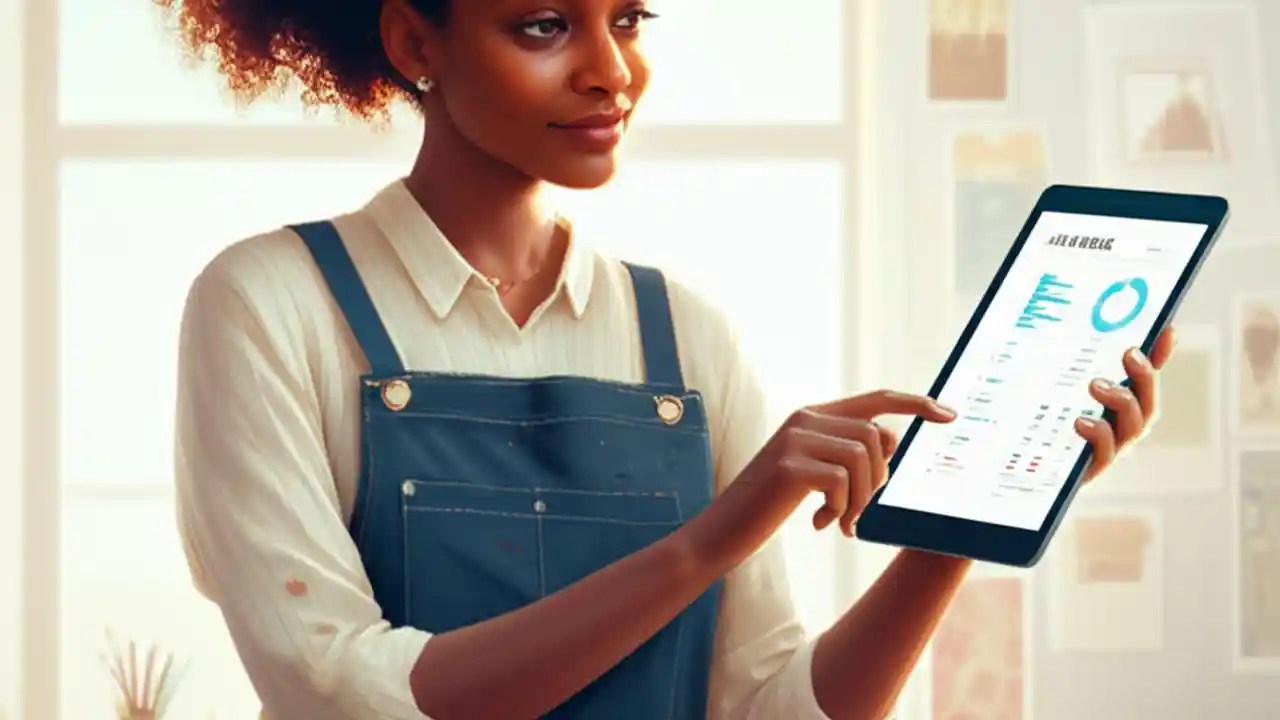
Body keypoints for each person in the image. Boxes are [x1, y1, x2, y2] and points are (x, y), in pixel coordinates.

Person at [166, 0, 1178, 718]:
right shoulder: (269, 303)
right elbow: (341, 693)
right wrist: (710, 539)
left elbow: (765, 710)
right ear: (409, 37)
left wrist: (972, 513)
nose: (610, 69)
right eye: (542, 26)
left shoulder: (685, 335)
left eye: (628, 18)